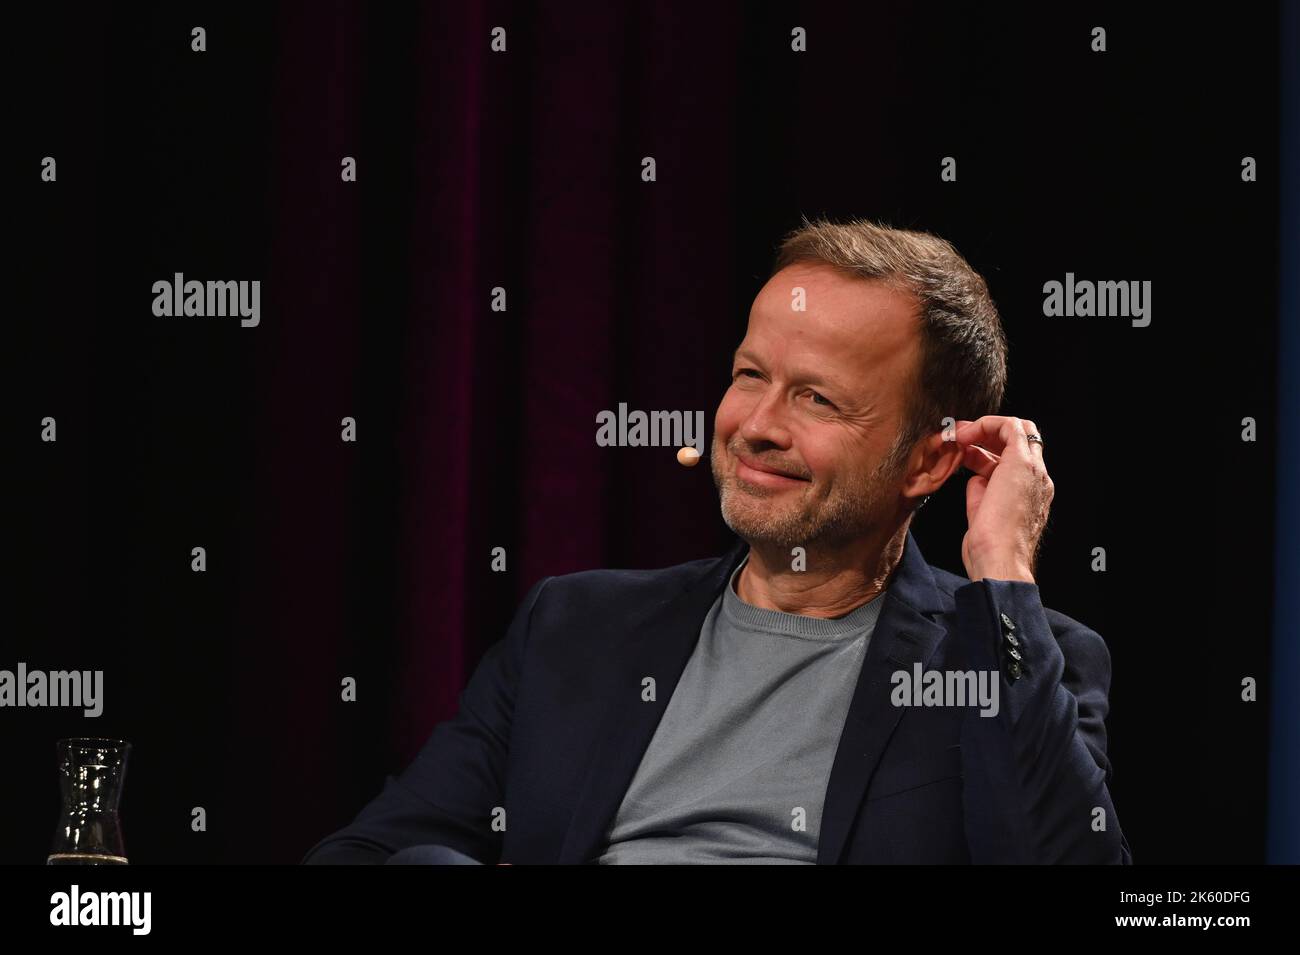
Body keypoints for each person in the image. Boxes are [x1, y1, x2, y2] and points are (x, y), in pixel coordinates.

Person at [303, 217, 1131, 864]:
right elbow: (362, 852)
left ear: (928, 460)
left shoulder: (1013, 656)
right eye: (749, 375)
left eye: (817, 399)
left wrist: (1002, 570)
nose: (757, 426)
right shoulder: (576, 627)